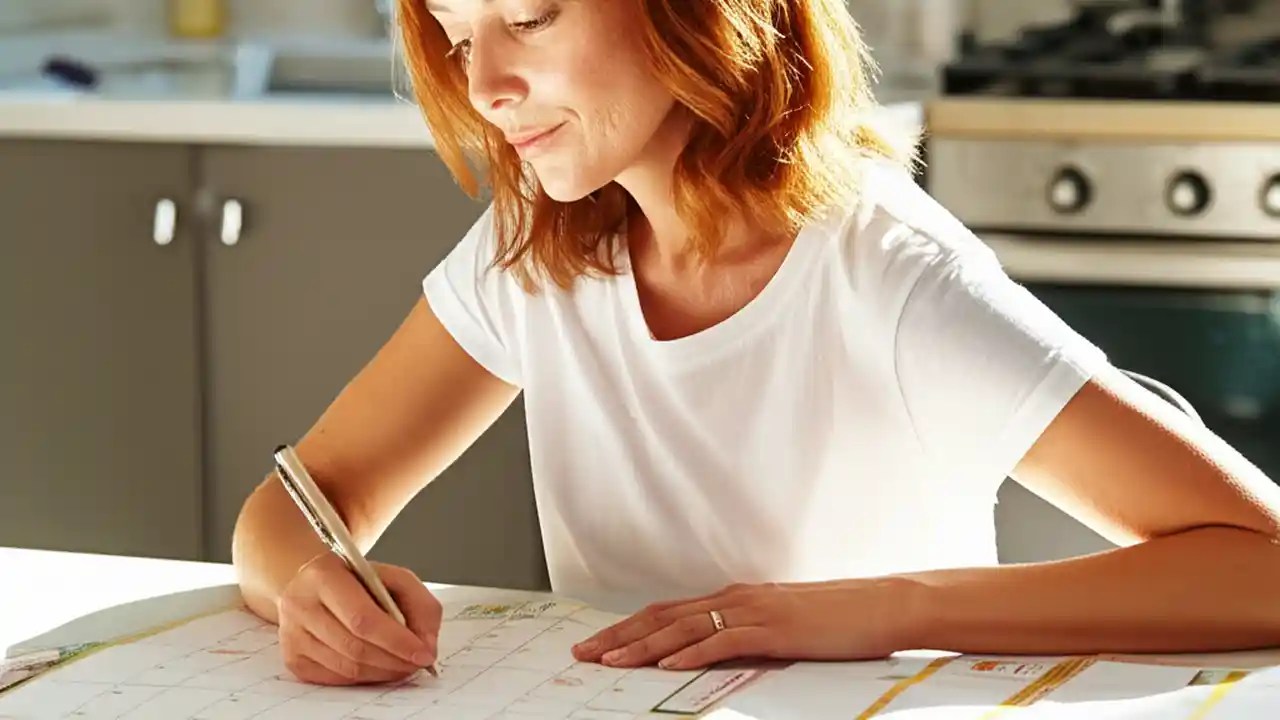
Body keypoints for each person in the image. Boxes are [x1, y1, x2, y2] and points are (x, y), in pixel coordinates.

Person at [231, 0, 1280, 687]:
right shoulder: (535, 251)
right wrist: (312, 588)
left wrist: (860, 613)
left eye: (528, 16)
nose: (484, 84)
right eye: (460, 41)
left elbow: (1261, 564)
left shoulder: (883, 272)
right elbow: (300, 499)